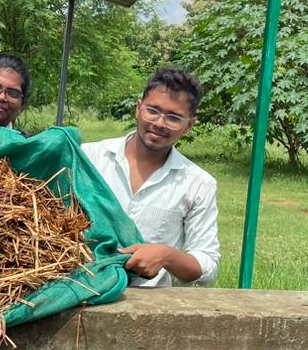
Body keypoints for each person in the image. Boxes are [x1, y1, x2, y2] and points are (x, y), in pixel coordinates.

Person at [82, 68, 220, 287]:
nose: (159, 123)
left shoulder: (198, 184)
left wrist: (167, 255)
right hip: (78, 289)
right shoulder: (89, 157)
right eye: (152, 111)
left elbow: (207, 263)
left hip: (147, 307)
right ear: (138, 108)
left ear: (189, 125)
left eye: (174, 117)